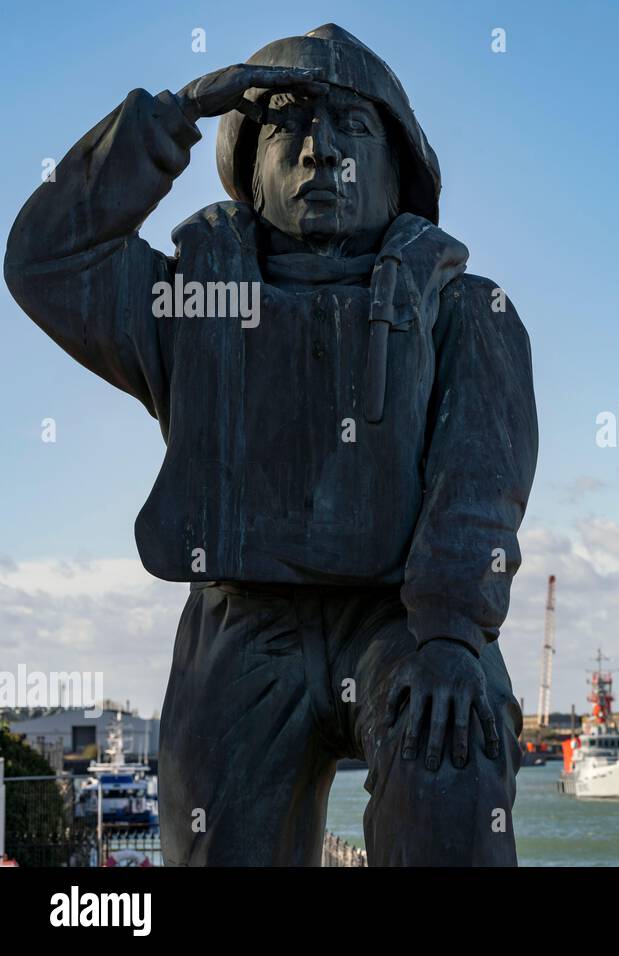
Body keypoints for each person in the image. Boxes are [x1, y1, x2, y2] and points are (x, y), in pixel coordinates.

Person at [5, 24, 538, 865]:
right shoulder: (186, 301)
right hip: (240, 623)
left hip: (404, 619)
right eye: (286, 124)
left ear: (399, 171)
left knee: (453, 758)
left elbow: (481, 482)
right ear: (249, 167)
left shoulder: (462, 307)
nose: (320, 153)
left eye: (353, 128)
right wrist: (170, 117)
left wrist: (450, 634)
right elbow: (44, 258)